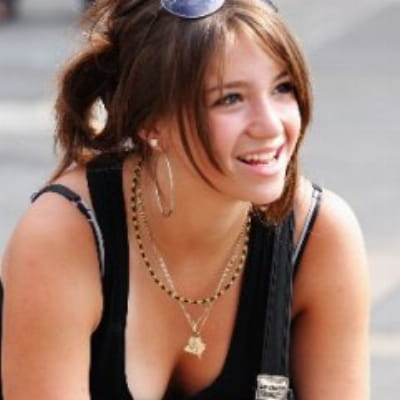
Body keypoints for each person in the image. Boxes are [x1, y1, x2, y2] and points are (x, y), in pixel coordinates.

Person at [0, 0, 370, 399]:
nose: (270, 125)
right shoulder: (65, 234)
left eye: (282, 88)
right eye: (230, 98)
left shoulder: (317, 234)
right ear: (150, 124)